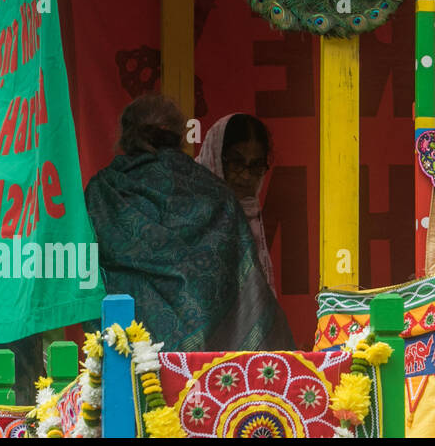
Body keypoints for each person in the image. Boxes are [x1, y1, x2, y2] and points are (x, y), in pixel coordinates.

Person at [84, 95, 293, 351]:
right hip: (206, 366)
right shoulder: (217, 195)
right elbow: (248, 291)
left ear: (126, 135)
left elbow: (85, 270)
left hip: (124, 351)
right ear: (179, 136)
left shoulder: (102, 192)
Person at [197, 114, 278, 296]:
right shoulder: (194, 210)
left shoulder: (249, 215)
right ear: (216, 157)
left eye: (256, 165)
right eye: (237, 163)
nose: (246, 176)